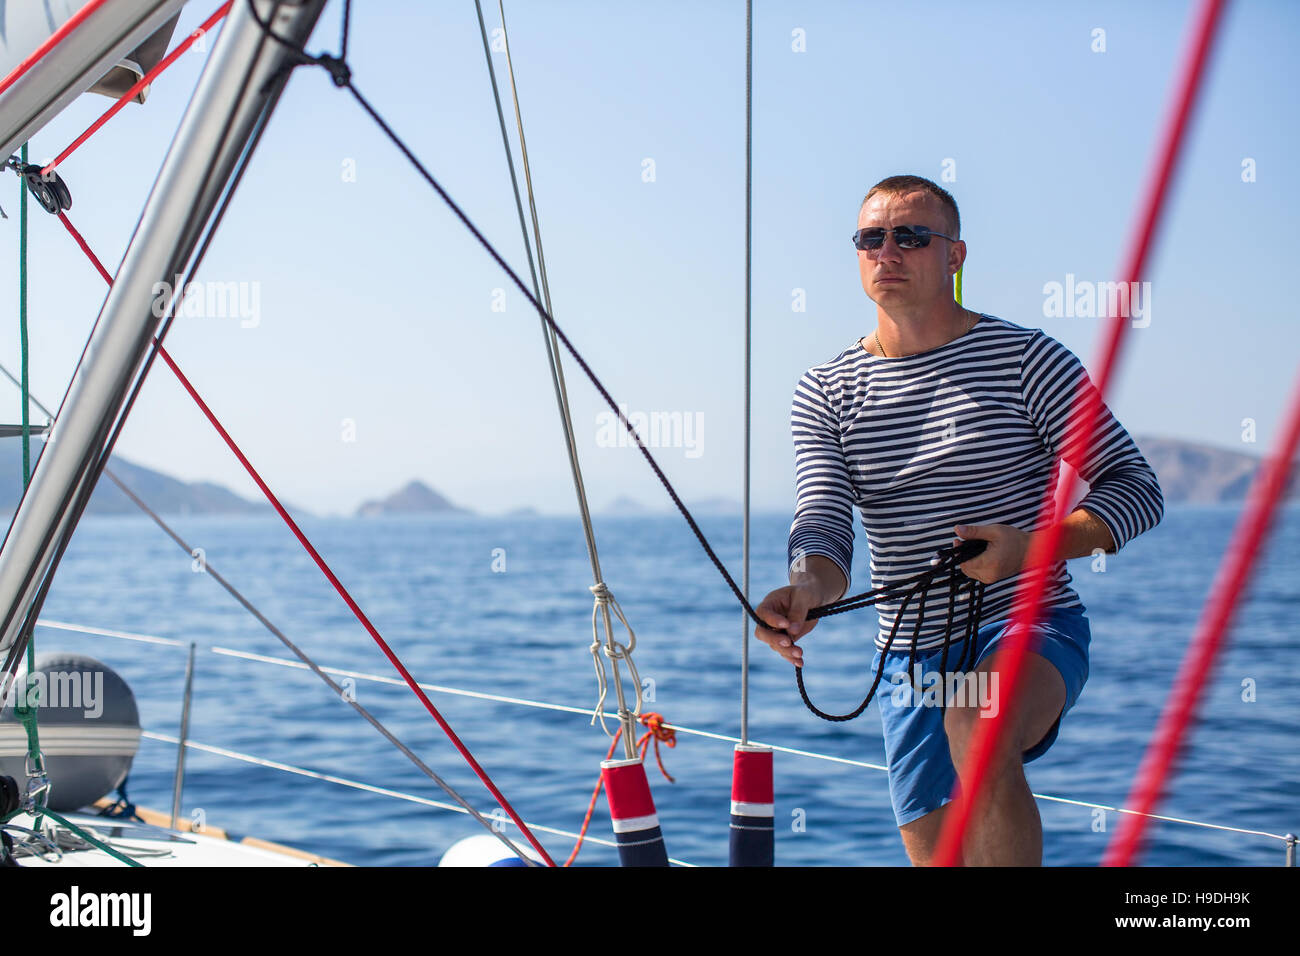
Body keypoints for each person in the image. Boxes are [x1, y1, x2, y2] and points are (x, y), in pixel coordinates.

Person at [754, 174, 1163, 866]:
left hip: (1026, 619)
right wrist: (804, 590)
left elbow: (1137, 487)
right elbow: (823, 523)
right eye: (871, 238)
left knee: (977, 723)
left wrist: (1032, 550)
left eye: (911, 236)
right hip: (909, 657)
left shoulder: (1027, 360)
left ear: (955, 256)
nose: (889, 250)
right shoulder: (824, 391)